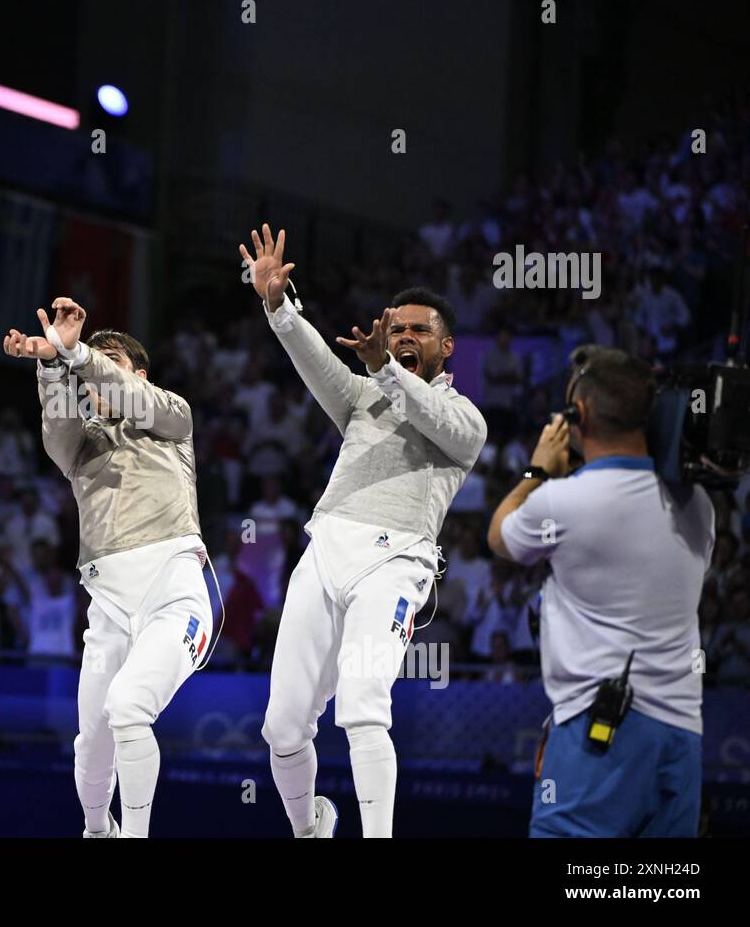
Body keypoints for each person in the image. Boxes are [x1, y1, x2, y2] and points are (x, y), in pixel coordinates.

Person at [239, 223, 486, 838]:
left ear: (446, 347)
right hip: (326, 550)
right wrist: (277, 304)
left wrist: (386, 372)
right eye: (396, 327)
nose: (404, 336)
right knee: (282, 726)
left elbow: (428, 414)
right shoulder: (362, 397)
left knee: (362, 705)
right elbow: (314, 358)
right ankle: (309, 827)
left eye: (418, 330)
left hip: (395, 561)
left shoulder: (465, 418)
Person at [2, 297, 213, 838]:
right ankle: (98, 831)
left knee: (128, 708)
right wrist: (53, 364)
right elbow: (56, 429)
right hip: (109, 606)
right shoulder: (80, 444)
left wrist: (76, 352)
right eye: (89, 362)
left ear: (139, 374)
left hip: (174, 594)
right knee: (92, 740)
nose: (94, 368)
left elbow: (135, 396)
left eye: (109, 359)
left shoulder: (172, 418)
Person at [489, 345, 715, 837]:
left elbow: (501, 535)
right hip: (682, 736)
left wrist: (538, 470)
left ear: (579, 414)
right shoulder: (698, 503)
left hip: (602, 734)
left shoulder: (563, 501)